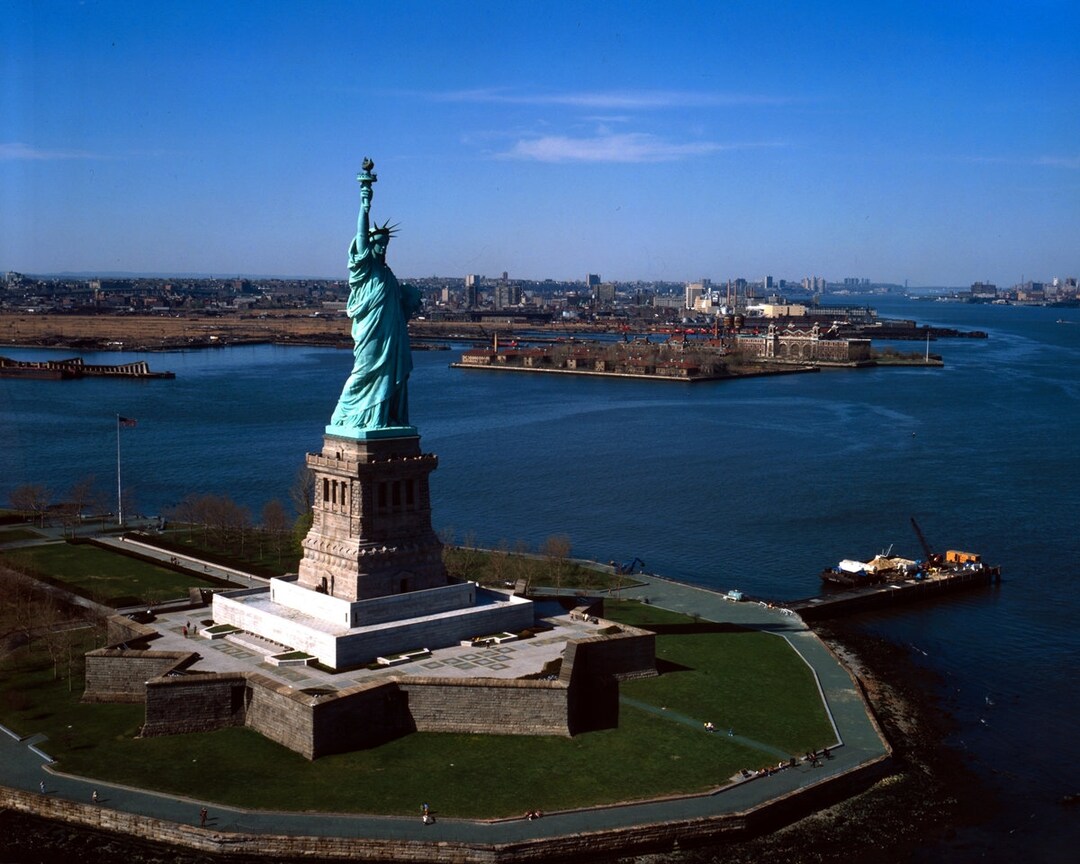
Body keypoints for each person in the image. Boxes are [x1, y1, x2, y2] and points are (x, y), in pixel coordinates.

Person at [330, 159, 422, 431]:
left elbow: (400, 309)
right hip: (371, 333)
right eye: (378, 245)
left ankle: (384, 418)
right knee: (364, 371)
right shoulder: (364, 269)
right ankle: (346, 416)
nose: (382, 250)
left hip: (391, 336)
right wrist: (365, 204)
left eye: (385, 246)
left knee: (390, 375)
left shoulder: (389, 276)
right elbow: (361, 234)